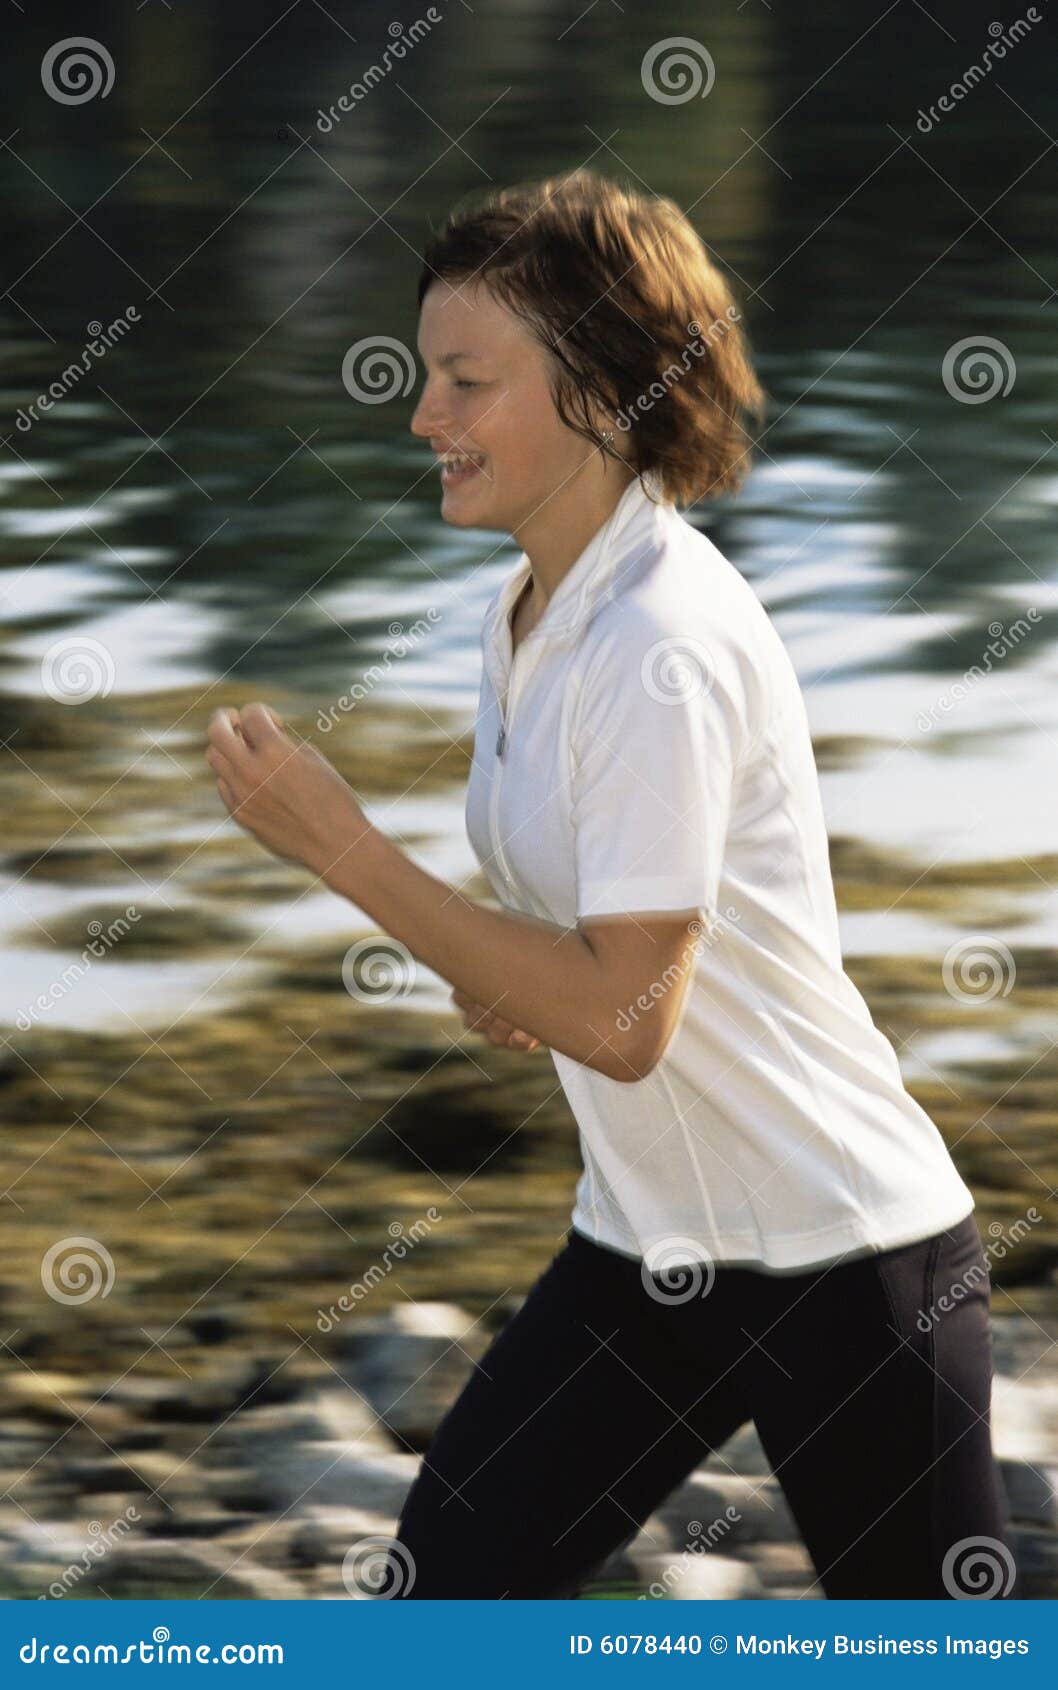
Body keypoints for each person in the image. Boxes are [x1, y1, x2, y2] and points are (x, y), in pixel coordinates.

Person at [204, 169, 1017, 1601]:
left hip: (845, 1258)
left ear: (594, 389)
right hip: (647, 1252)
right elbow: (606, 960)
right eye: (425, 374)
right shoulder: (530, 610)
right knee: (441, 1608)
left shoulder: (658, 639)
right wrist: (520, 983)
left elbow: (628, 1015)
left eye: (465, 380)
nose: (421, 415)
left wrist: (339, 846)